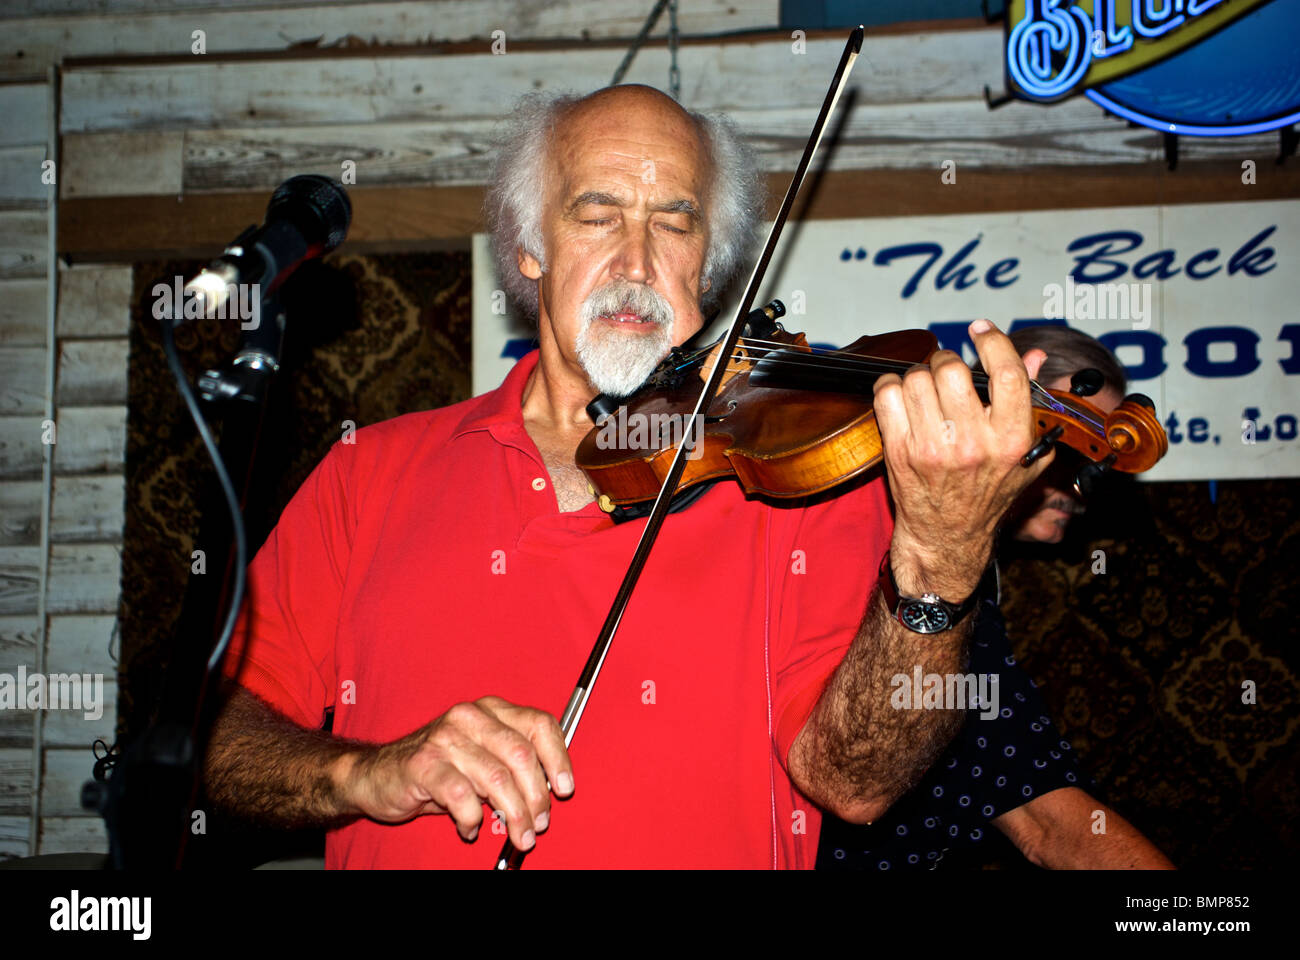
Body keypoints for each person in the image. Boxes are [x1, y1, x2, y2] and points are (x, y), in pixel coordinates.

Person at [202, 84, 1058, 868]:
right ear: (530, 248)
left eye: (675, 222)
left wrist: (942, 556)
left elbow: (858, 780)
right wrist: (366, 773)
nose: (638, 262)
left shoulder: (802, 480)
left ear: (709, 267)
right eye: (598, 215)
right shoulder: (371, 472)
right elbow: (217, 740)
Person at [817, 326, 1175, 870]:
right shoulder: (925, 564)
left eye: (1092, 462)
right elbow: (1048, 823)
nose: (1082, 489)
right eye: (1070, 450)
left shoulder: (975, 569)